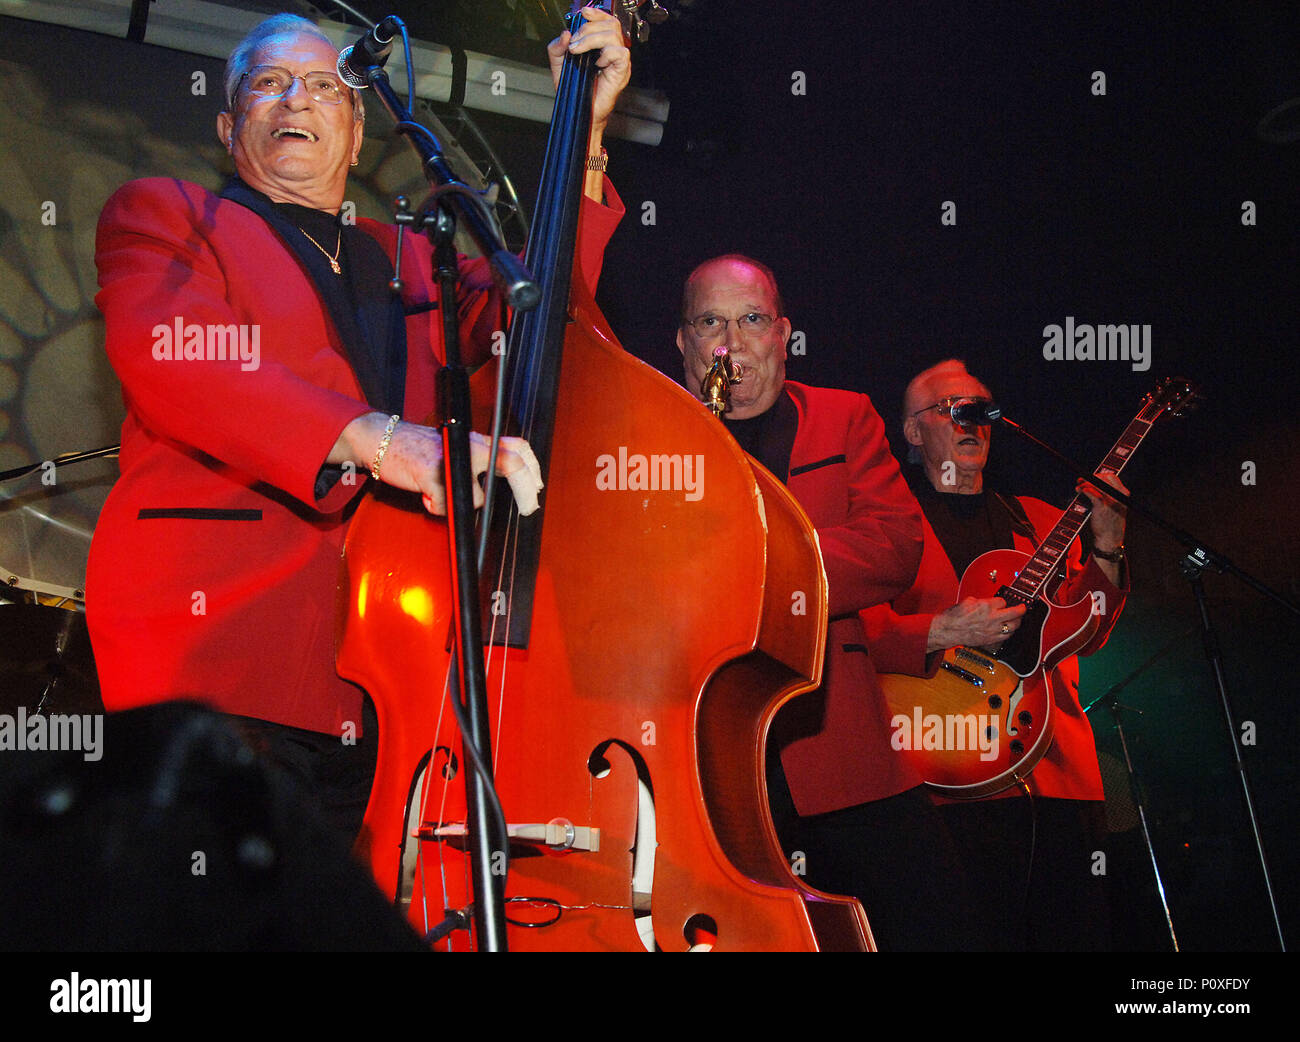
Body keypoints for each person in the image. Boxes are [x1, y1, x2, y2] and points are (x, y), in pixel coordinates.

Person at [87, 11, 630, 839]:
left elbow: (547, 314)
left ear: (356, 125)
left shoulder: (415, 258)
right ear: (231, 128)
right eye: (267, 83)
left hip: (387, 670)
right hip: (220, 649)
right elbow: (174, 356)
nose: (294, 99)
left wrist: (581, 129)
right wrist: (383, 440)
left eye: (323, 85)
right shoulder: (169, 216)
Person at [676, 255, 976, 950]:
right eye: (710, 322)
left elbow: (894, 546)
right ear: (684, 343)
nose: (732, 341)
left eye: (751, 319)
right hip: (709, 764)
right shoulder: (659, 437)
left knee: (937, 929)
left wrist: (760, 561)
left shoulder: (843, 416)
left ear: (782, 334)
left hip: (843, 750)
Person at [861, 358, 1130, 950]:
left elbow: (1093, 628)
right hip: (938, 778)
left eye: (980, 410)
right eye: (950, 409)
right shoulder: (886, 527)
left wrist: (1108, 543)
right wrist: (937, 630)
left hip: (1054, 776)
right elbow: (845, 632)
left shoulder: (1037, 521)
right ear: (911, 432)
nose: (970, 422)